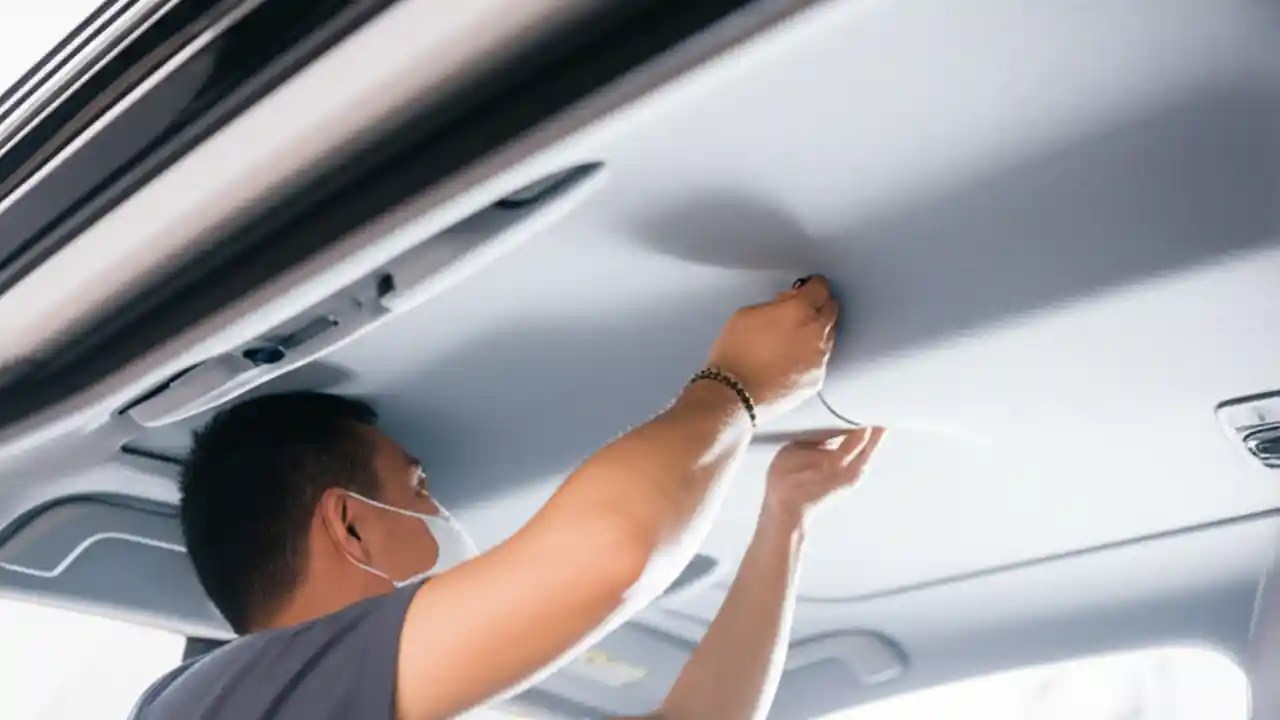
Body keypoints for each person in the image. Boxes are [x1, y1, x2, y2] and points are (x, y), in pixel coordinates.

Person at [131, 275, 886, 719]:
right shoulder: (210, 708)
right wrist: (736, 388)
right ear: (351, 527)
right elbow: (609, 555)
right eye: (421, 489)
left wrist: (783, 520)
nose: (441, 513)